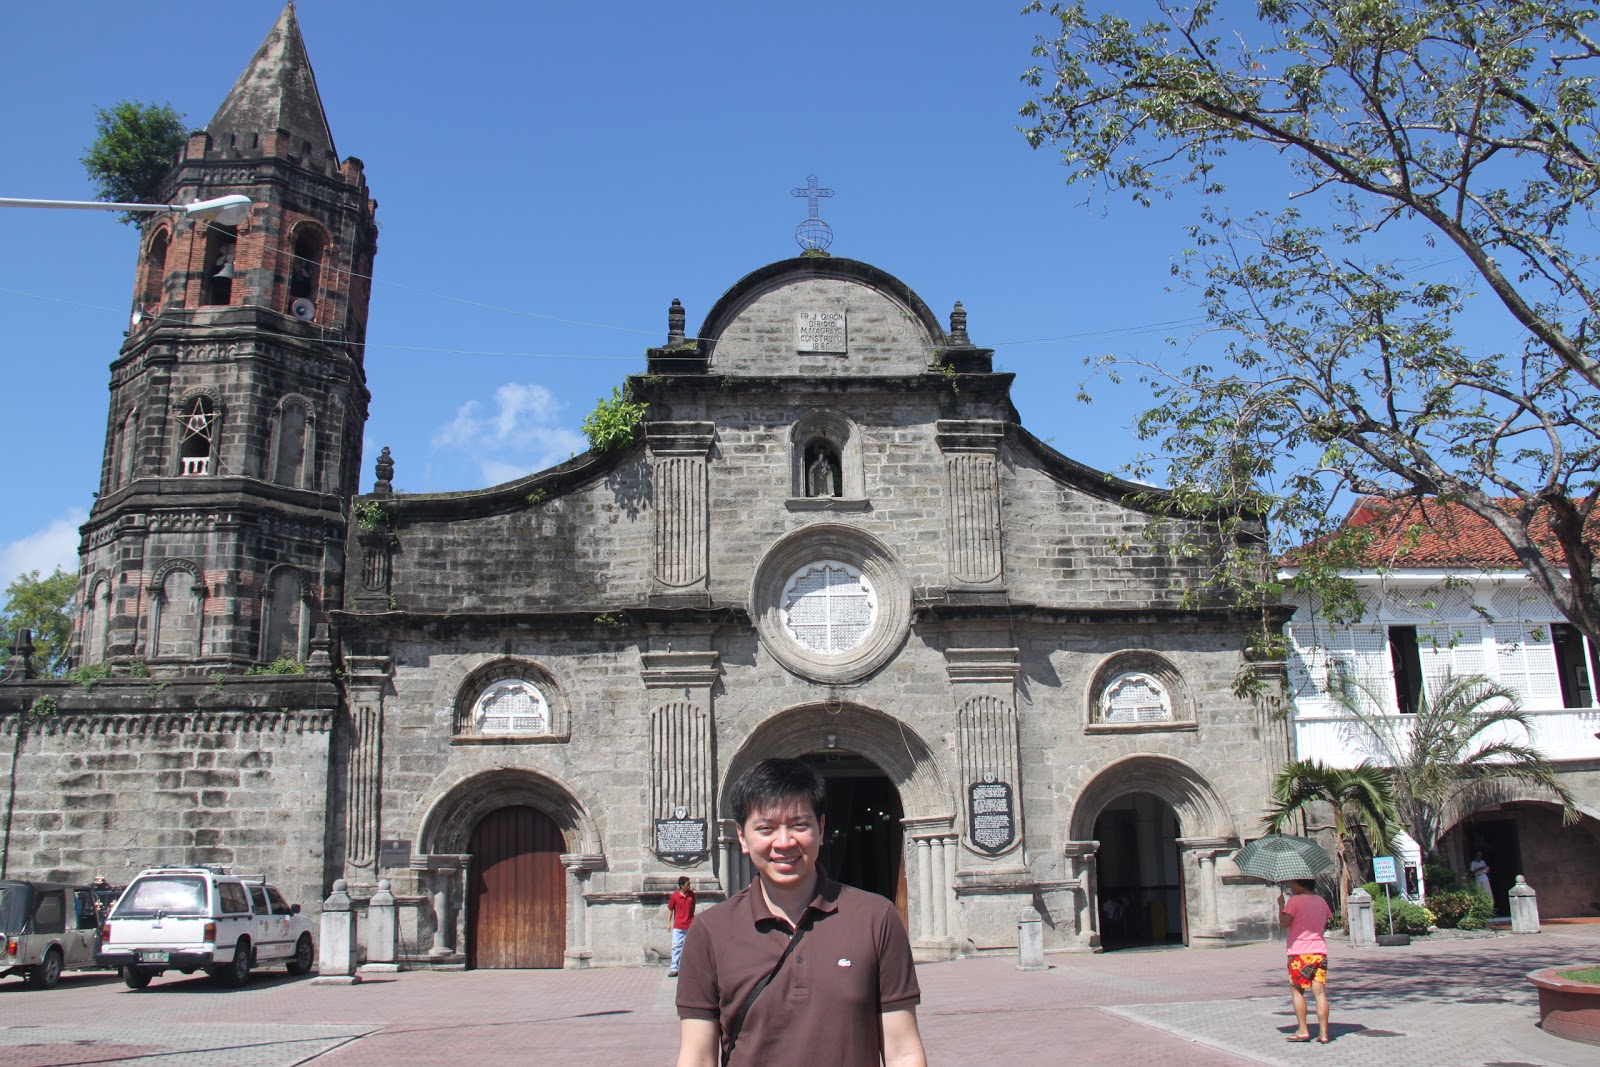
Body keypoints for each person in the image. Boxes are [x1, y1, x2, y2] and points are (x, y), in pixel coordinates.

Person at [675, 758, 926, 1067]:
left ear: (821, 829)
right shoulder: (710, 931)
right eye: (765, 828)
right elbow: (697, 1057)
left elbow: (903, 1052)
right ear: (742, 836)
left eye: (799, 825)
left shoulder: (876, 919)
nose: (784, 842)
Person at [1280, 879, 1333, 1045]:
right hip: (1319, 952)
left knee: (1297, 991)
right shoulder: (1321, 901)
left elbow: (1285, 923)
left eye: (1294, 884)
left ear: (1302, 885)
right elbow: (1325, 922)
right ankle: (1324, 1033)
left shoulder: (1294, 901)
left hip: (1299, 953)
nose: (1291, 887)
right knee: (1320, 993)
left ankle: (1303, 1030)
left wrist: (1281, 906)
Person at [667, 875, 697, 978]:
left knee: (690, 947)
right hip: (678, 925)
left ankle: (689, 968)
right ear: (682, 886)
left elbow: (693, 907)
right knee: (676, 946)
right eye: (687, 884)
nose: (689, 886)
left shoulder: (691, 895)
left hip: (690, 924)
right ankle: (674, 968)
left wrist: (692, 918)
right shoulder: (674, 896)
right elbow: (670, 909)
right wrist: (669, 922)